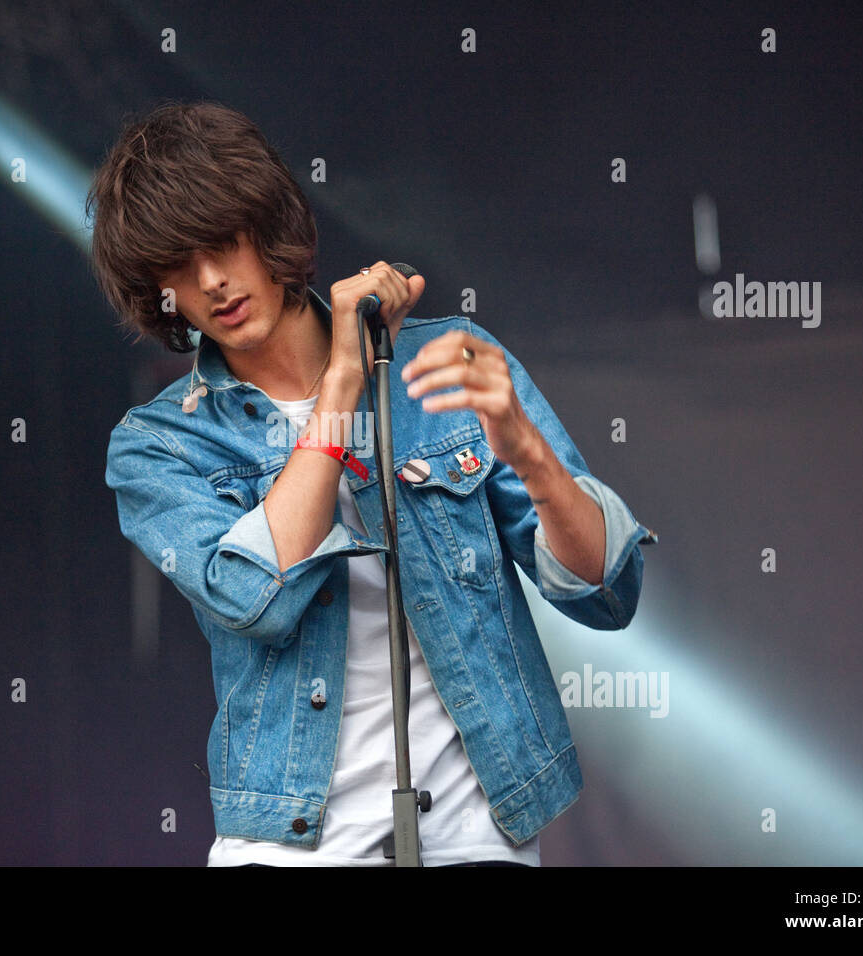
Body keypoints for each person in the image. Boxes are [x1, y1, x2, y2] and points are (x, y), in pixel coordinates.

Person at [90, 100, 656, 866]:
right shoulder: (159, 443)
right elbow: (258, 597)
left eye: (224, 242)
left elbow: (603, 591)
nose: (214, 280)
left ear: (269, 225)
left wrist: (528, 451)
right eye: (178, 266)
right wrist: (344, 382)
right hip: (290, 845)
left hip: (476, 834)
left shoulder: (443, 366)